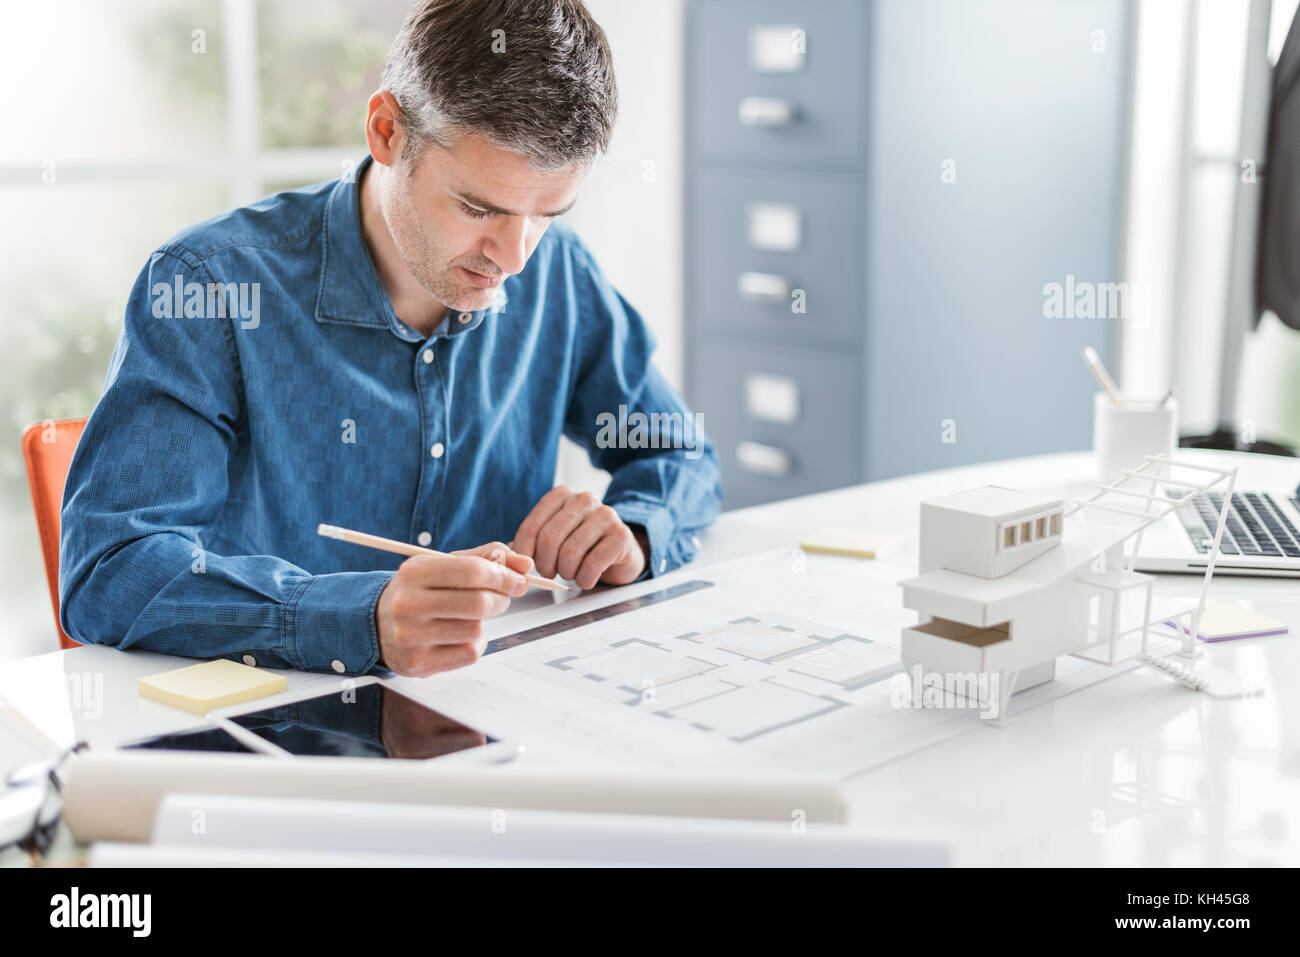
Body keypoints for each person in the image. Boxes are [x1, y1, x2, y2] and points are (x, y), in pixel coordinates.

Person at [58, 0, 721, 678]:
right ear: (386, 132)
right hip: (270, 734)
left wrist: (636, 529)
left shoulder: (559, 275)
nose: (514, 257)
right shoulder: (211, 287)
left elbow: (680, 451)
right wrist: (357, 617)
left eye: (546, 215)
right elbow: (108, 572)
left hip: (494, 719)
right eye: (477, 207)